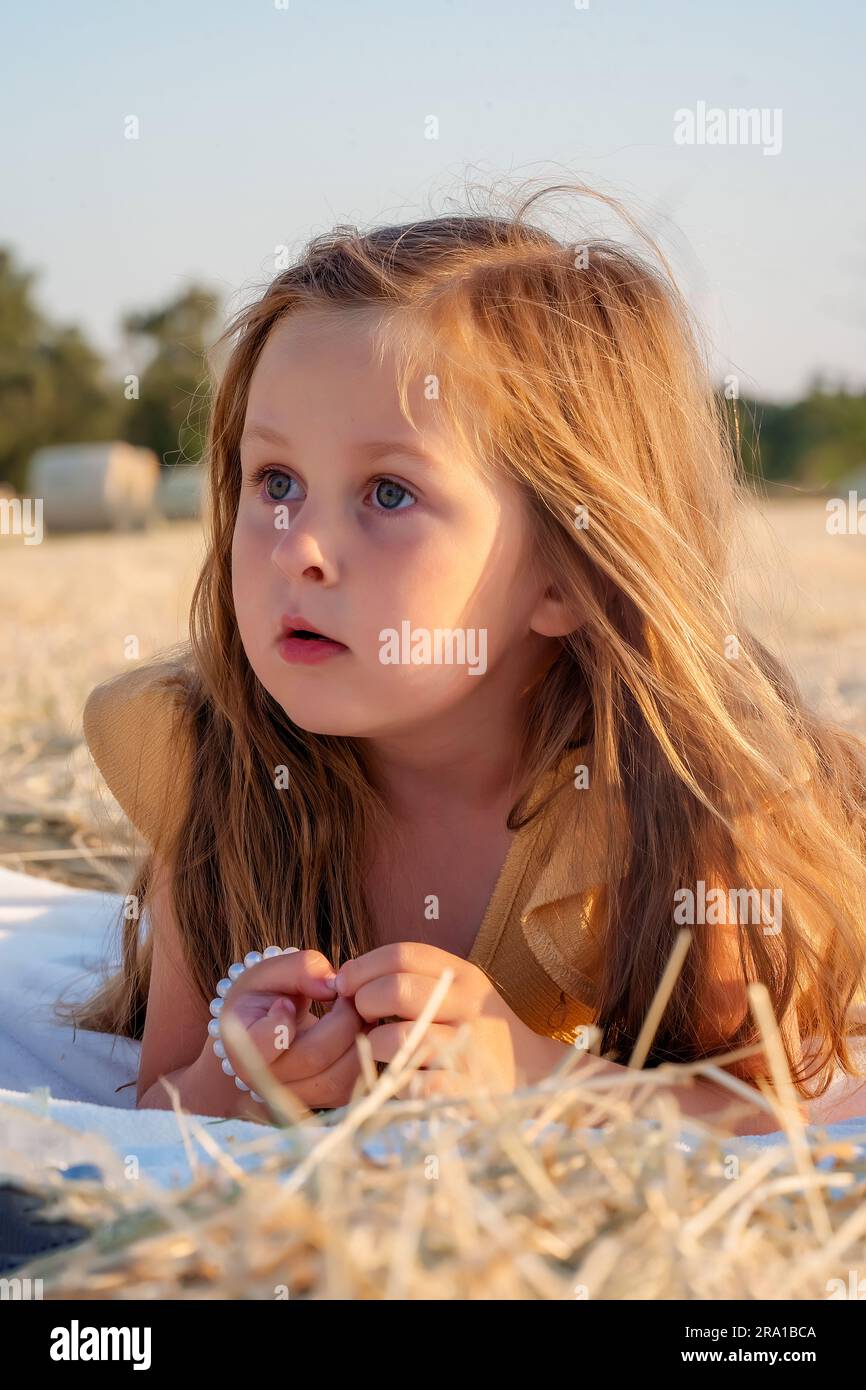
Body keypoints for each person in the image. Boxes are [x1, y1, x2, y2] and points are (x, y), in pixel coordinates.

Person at [64, 182, 866, 1137]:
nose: (298, 547)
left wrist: (534, 1077)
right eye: (275, 480)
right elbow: (160, 1104)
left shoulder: (689, 805)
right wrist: (240, 1081)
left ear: (568, 575)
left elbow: (777, 1105)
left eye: (389, 494)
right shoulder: (216, 758)